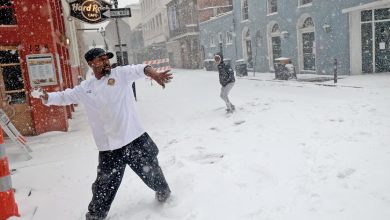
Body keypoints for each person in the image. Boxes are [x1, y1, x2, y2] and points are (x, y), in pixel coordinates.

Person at [32, 48, 173, 220]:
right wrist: (46, 97)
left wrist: (154, 74)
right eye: (101, 59)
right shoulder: (86, 88)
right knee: (104, 186)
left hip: (134, 138)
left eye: (107, 58)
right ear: (92, 64)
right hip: (109, 148)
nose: (106, 62)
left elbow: (140, 68)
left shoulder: (120, 74)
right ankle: (95, 216)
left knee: (152, 172)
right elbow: (64, 96)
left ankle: (164, 193)